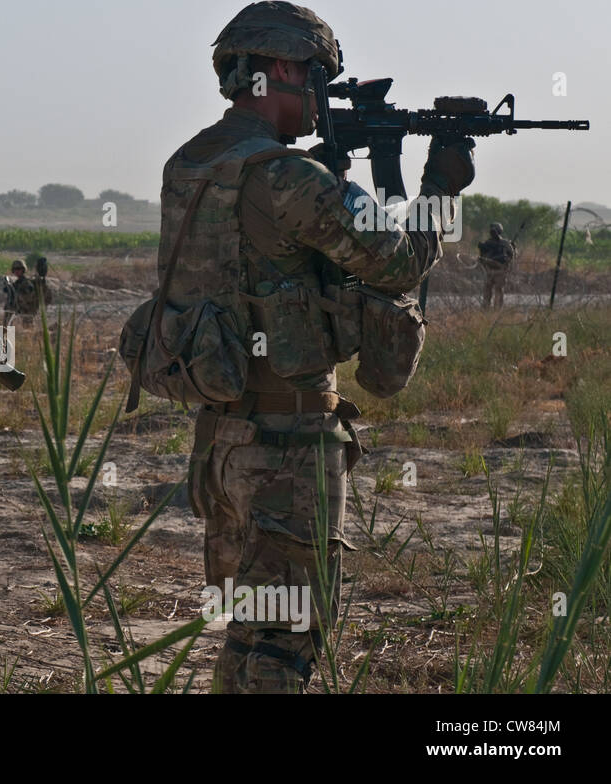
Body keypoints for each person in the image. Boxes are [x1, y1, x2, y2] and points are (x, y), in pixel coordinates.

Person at [176, 1, 474, 692]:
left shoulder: (191, 163)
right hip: (288, 440)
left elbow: (260, 265)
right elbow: (400, 262)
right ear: (282, 67)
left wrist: (332, 166)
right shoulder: (288, 177)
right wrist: (440, 186)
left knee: (252, 629)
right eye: (319, 77)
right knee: (288, 644)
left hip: (221, 436)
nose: (322, 96)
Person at [2, 256, 54, 327]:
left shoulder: (26, 283)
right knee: (7, 324)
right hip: (18, 310)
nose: (17, 271)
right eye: (15, 269)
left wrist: (18, 294)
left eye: (18, 269)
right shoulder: (16, 283)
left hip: (26, 311)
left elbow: (29, 297)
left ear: (23, 270)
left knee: (27, 327)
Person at [478, 222, 515, 309]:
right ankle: (486, 309)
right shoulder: (488, 243)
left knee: (498, 291)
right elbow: (482, 257)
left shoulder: (504, 243)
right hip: (489, 271)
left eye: (494, 231)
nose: (493, 233)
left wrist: (505, 261)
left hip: (500, 271)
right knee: (487, 291)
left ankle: (497, 310)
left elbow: (511, 256)